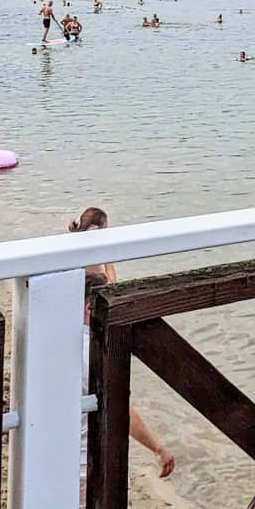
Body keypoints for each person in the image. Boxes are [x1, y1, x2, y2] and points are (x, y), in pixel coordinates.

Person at [81, 268, 174, 483]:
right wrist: (158, 448)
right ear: (89, 309)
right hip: (87, 464)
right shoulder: (95, 353)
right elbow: (122, 410)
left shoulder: (55, 339)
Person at [70, 207, 116, 282]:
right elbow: (111, 284)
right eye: (105, 230)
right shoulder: (91, 256)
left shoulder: (79, 247)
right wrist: (108, 259)